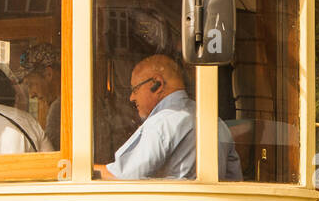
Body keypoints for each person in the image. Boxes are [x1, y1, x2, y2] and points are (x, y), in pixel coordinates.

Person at [95, 54, 242, 181]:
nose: (131, 97)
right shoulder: (216, 123)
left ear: (156, 84)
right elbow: (233, 181)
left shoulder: (162, 123)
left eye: (135, 89)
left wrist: (77, 171)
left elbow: (121, 177)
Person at [16, 42, 62, 152]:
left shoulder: (59, 108)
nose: (31, 94)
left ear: (48, 74)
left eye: (31, 84)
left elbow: (51, 159)